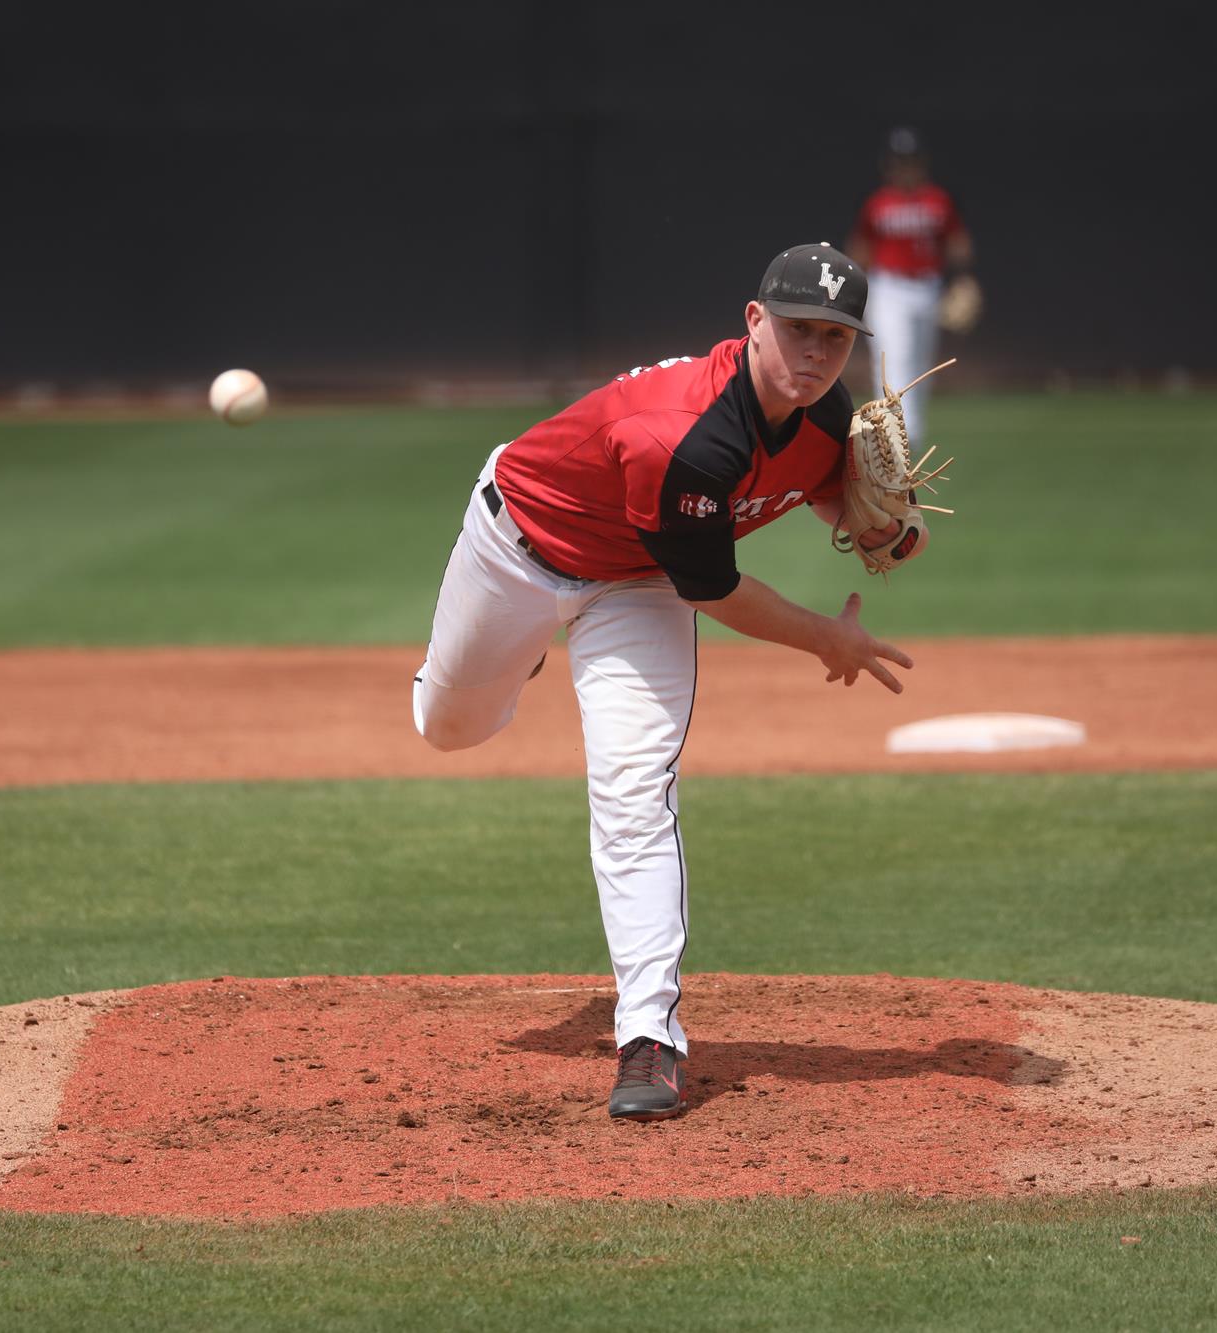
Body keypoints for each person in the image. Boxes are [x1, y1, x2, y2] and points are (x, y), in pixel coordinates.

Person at [412, 243, 917, 1121]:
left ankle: (649, 1040)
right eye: (798, 330)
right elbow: (716, 588)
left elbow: (822, 485)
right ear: (753, 322)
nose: (815, 354)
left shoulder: (827, 412)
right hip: (519, 547)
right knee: (448, 726)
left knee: (635, 789)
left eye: (835, 339)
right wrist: (829, 640)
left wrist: (878, 525)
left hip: (636, 584)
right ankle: (525, 648)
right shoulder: (683, 435)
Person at [845, 126, 974, 446]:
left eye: (910, 160)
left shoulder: (937, 200)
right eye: (899, 161)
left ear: (921, 163)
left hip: (927, 288)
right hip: (888, 288)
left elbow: (958, 243)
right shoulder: (878, 204)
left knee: (920, 363)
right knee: (893, 358)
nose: (905, 168)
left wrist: (962, 278)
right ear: (888, 165)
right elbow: (860, 249)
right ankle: (891, 434)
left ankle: (910, 433)